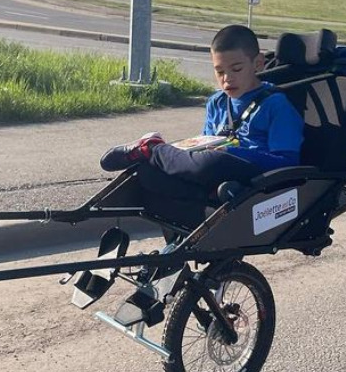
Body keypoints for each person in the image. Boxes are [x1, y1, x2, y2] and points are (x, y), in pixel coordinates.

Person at [100, 24, 305, 236]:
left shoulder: (277, 105)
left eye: (236, 69)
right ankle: (183, 237)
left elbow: (287, 162)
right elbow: (205, 142)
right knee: (146, 174)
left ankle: (152, 149)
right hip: (215, 178)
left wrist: (233, 153)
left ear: (258, 64)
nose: (227, 79)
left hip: (254, 176)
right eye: (220, 72)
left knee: (211, 162)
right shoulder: (216, 102)